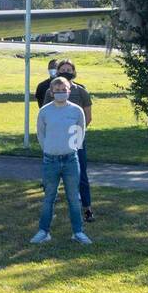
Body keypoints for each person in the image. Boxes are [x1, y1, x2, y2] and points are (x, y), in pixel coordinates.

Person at [32, 76, 90, 245]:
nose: (60, 93)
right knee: (49, 197)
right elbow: (41, 134)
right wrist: (49, 149)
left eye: (63, 91)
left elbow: (80, 132)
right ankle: (44, 231)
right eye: (57, 91)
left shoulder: (76, 110)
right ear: (51, 92)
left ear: (68, 91)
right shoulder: (45, 111)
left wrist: (72, 149)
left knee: (73, 197)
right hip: (50, 160)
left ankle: (78, 232)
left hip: (71, 160)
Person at [55, 59, 95, 222]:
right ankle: (49, 210)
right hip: (57, 138)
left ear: (74, 72)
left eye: (69, 69)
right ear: (57, 72)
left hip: (76, 138)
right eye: (63, 69)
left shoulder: (81, 91)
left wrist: (76, 133)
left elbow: (88, 117)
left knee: (81, 174)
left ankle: (87, 209)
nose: (66, 71)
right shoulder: (51, 91)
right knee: (54, 173)